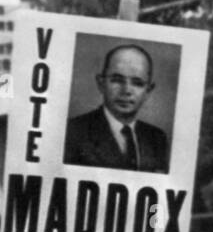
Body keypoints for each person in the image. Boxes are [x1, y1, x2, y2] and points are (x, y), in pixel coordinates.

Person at [63, 45, 170, 175]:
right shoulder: (72, 132)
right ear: (101, 83)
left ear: (148, 90)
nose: (126, 91)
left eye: (137, 83)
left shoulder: (157, 138)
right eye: (117, 80)